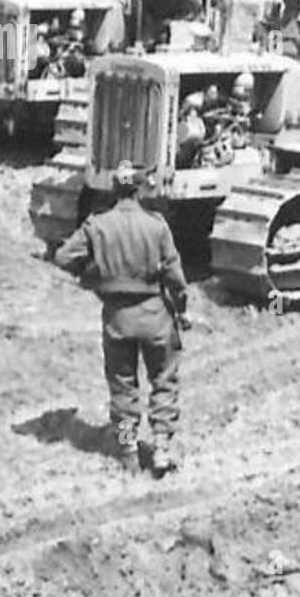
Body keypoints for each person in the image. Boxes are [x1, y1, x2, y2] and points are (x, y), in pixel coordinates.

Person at [53, 161, 188, 478]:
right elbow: (175, 276)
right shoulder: (156, 226)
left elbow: (63, 258)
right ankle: (160, 448)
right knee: (163, 381)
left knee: (123, 389)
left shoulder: (97, 225)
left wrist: (91, 276)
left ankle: (128, 451)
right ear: (140, 189)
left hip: (116, 319)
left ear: (114, 189)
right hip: (155, 315)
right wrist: (181, 309)